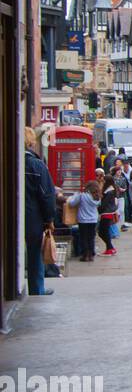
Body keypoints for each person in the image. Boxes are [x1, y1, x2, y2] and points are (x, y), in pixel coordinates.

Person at [23, 126, 56, 296]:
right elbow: (47, 195)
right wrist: (49, 219)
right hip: (33, 219)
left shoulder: (9, 162)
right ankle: (37, 290)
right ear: (30, 142)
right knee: (35, 254)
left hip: (13, 219)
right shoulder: (36, 165)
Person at [67, 181, 102, 262]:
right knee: (91, 237)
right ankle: (91, 255)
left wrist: (76, 194)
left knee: (84, 238)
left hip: (83, 219)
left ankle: (85, 255)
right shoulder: (97, 196)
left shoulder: (82, 195)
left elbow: (71, 204)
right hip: (93, 219)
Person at [97, 173, 119, 256]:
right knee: (104, 232)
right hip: (108, 213)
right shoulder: (111, 190)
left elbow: (104, 204)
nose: (102, 182)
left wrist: (98, 209)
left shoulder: (109, 191)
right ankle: (110, 248)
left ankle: (110, 248)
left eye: (103, 181)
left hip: (106, 213)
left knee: (102, 232)